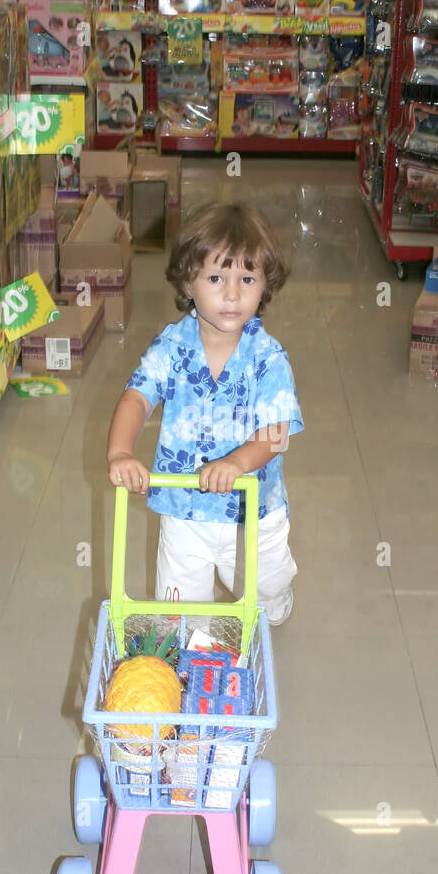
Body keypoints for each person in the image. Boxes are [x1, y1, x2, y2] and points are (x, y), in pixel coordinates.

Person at [106, 201, 302, 625]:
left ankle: (277, 599)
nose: (232, 294)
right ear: (188, 283)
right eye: (216, 278)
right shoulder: (170, 348)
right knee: (178, 612)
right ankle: (191, 656)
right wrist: (121, 452)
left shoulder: (267, 358)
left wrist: (236, 462)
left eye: (247, 279)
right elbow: (136, 398)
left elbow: (277, 431)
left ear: (264, 285)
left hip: (252, 513)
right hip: (184, 506)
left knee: (263, 592)